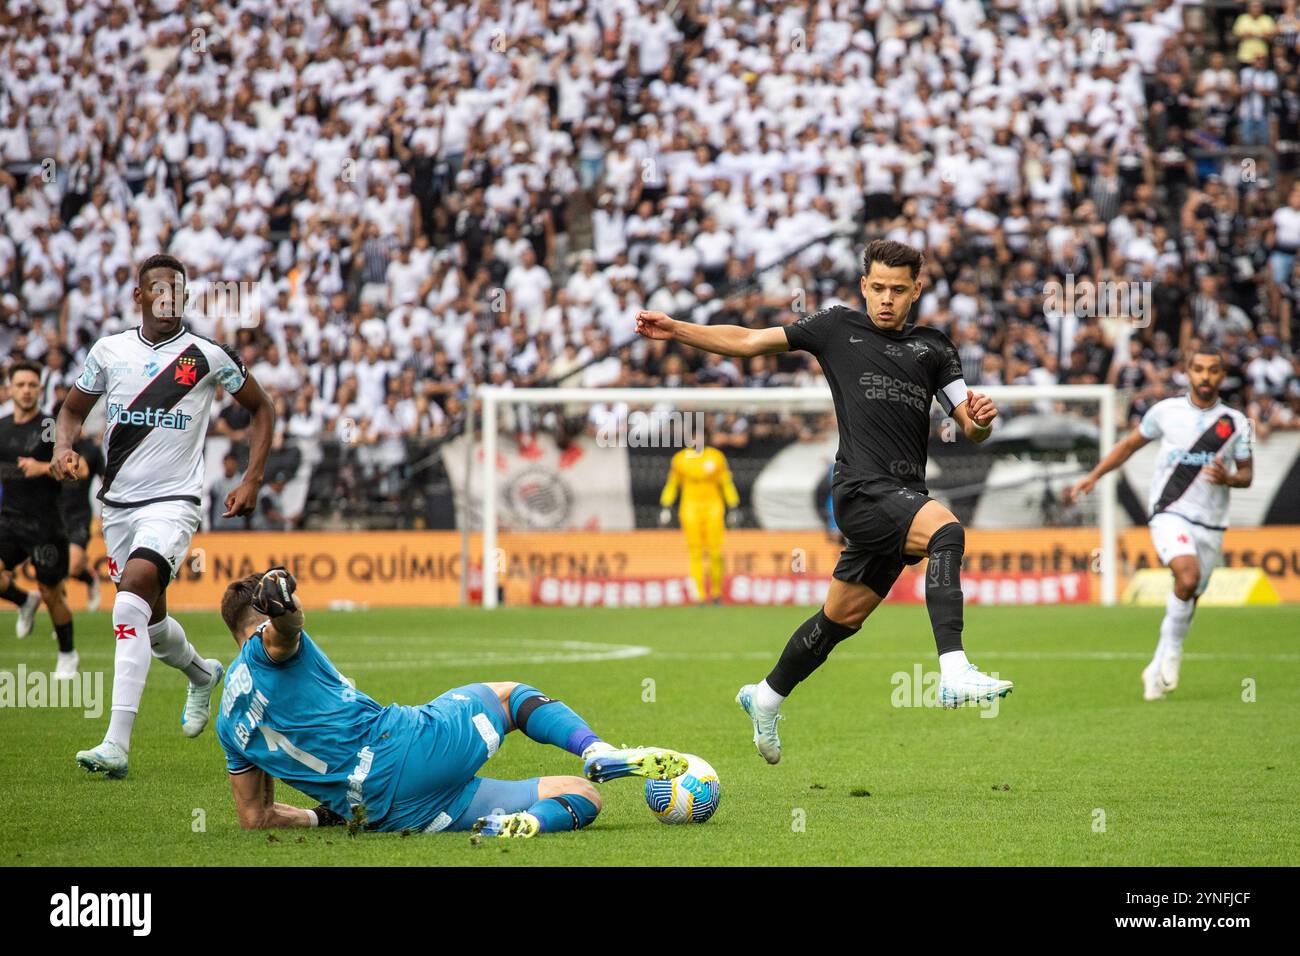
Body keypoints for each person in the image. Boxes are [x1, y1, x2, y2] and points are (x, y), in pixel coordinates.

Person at [635, 239, 1013, 765]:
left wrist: (984, 420)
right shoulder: (836, 327)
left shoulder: (935, 348)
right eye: (877, 287)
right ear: (863, 286)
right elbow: (747, 341)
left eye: (898, 290)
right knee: (947, 532)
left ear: (916, 291)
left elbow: (969, 427)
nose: (885, 298)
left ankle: (765, 697)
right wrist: (677, 328)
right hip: (860, 490)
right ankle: (953, 669)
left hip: (901, 498)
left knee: (841, 619)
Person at [217, 568, 688, 840]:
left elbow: (254, 819)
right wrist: (283, 607)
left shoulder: (226, 725)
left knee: (583, 796)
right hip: (402, 748)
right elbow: (285, 633)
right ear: (257, 619)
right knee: (511, 696)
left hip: (390, 813)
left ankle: (519, 823)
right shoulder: (266, 642)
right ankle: (595, 750)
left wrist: (323, 815)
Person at [51, 253, 276, 779]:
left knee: (128, 603)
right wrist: (63, 447)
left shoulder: (204, 355)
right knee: (149, 624)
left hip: (174, 505)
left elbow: (261, 407)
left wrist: (251, 478)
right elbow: (70, 411)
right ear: (140, 297)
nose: (169, 299)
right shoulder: (110, 351)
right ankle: (202, 674)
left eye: (177, 292)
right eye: (159, 291)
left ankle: (116, 745)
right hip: (118, 507)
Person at [1064, 345, 1253, 700]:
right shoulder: (1165, 412)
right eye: (1198, 369)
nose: (1206, 376)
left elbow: (1247, 475)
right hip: (1169, 511)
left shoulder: (1236, 423)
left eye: (1213, 370)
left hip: (1211, 522)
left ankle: (1157, 662)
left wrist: (1230, 479)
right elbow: (1129, 445)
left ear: (1221, 375)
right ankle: (1174, 654)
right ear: (1187, 371)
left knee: (1190, 592)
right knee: (1187, 575)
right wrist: (1094, 476)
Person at [0, 361, 83, 678]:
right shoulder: (3, 427)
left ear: (40, 388)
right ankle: (23, 600)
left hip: (46, 524)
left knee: (51, 593)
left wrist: (43, 468)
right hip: (9, 520)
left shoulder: (52, 427)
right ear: (10, 389)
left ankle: (67, 655)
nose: (26, 390)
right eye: (20, 385)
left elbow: (77, 468)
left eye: (32, 385)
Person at [658, 433, 740, 603]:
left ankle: (717, 594)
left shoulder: (716, 457)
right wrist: (666, 505)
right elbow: (673, 484)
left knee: (715, 552)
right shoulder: (680, 459)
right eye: (694, 437)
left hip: (713, 507)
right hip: (690, 508)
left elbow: (726, 482)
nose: (697, 441)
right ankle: (700, 595)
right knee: (695, 552)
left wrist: (733, 505)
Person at [59, 428, 106, 611]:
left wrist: (105, 514)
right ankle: (62, 619)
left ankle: (90, 578)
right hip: (55, 514)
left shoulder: (90, 449)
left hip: (80, 514)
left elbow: (105, 481)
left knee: (71, 567)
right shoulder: (52, 447)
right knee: (57, 569)